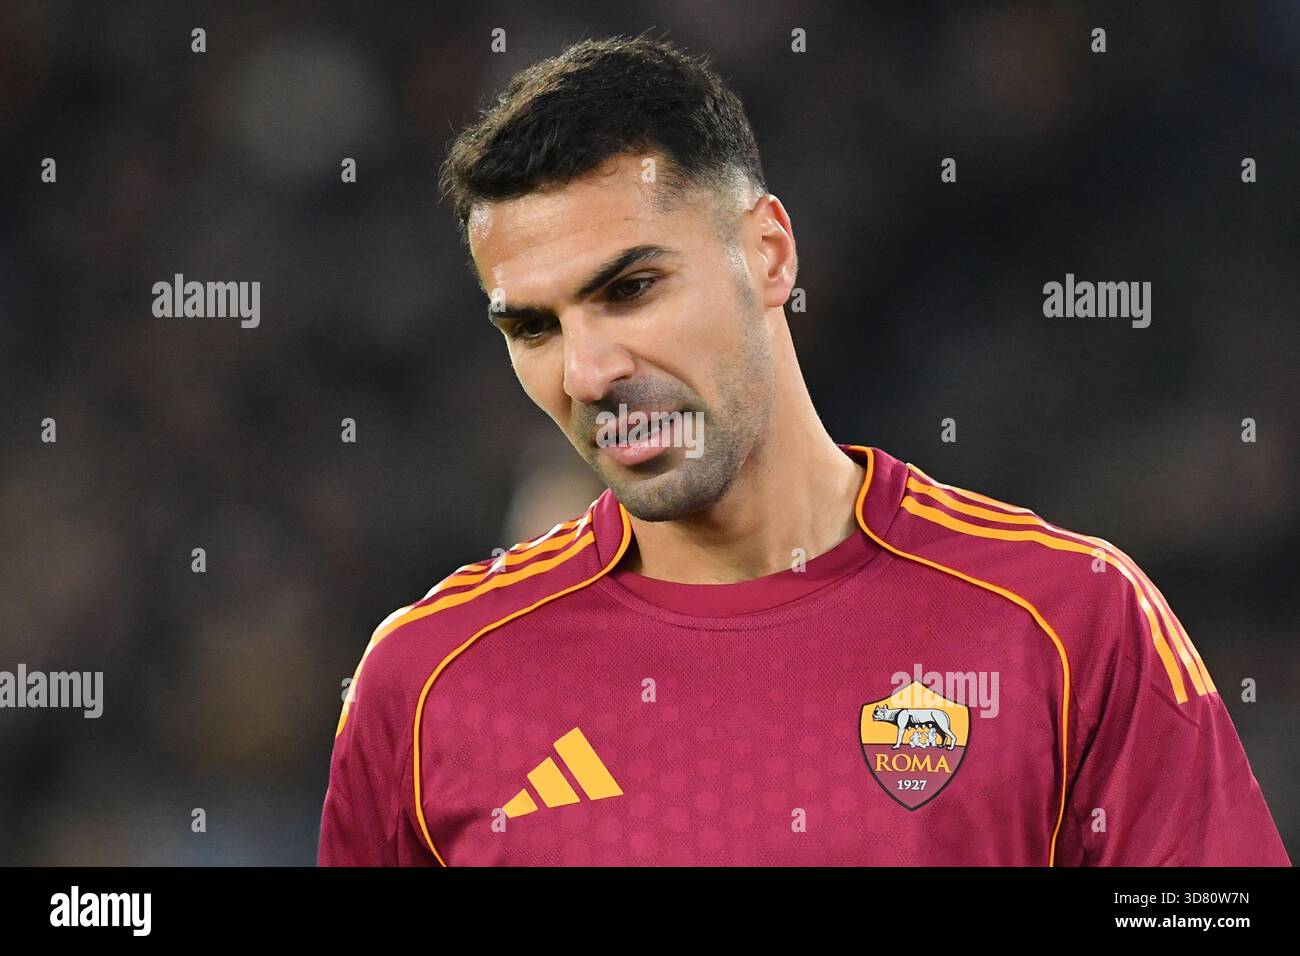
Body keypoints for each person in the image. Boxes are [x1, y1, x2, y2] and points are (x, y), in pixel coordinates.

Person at [318, 35, 1290, 866]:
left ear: (769, 255)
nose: (586, 370)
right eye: (531, 328)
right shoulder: (426, 683)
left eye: (631, 289)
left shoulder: (1068, 621)